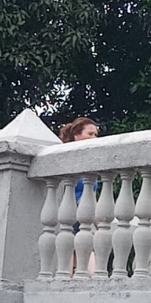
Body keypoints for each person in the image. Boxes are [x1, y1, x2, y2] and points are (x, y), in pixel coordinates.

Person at [59, 117, 99, 275]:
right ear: (76, 135)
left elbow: (93, 197)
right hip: (68, 218)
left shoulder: (90, 164)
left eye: (96, 134)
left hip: (84, 221)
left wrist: (100, 225)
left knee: (92, 269)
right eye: (90, 134)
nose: (94, 138)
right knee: (66, 265)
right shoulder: (66, 158)